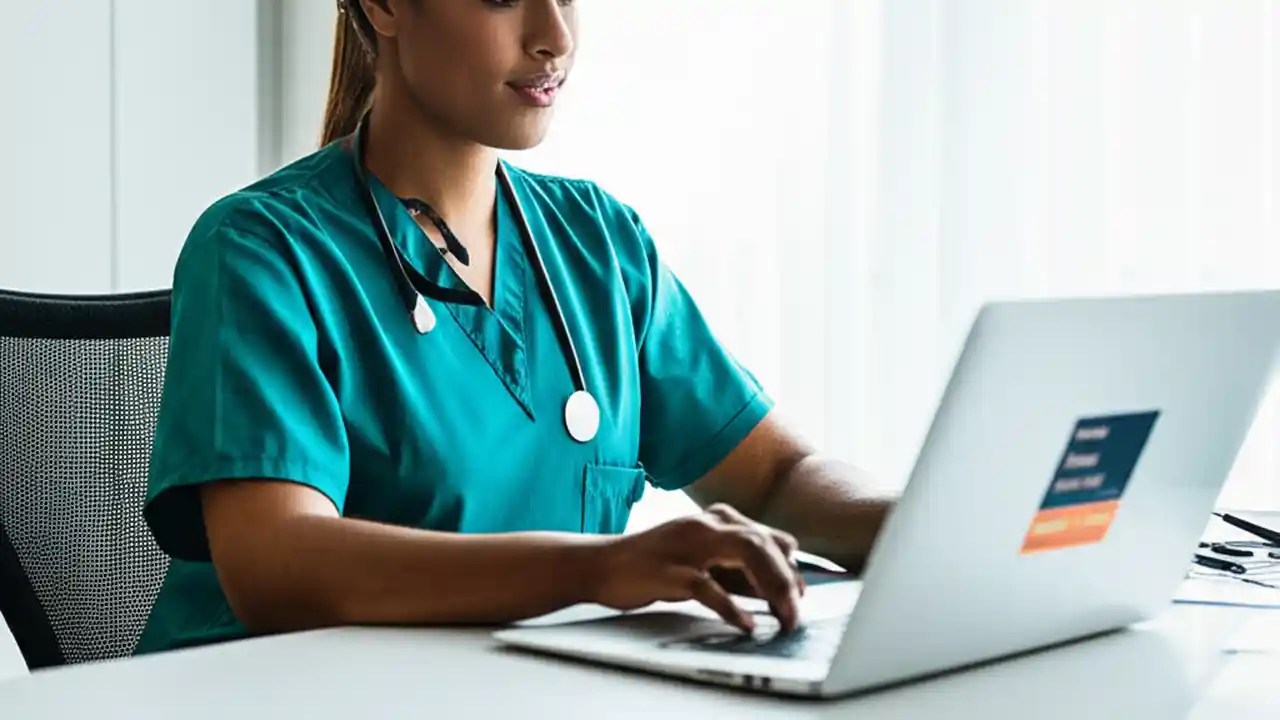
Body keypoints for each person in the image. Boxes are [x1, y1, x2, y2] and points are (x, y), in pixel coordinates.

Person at [135, 0, 893, 655]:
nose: (555, 35)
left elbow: (773, 477)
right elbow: (278, 565)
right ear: (385, 7)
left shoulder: (598, 242)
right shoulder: (262, 248)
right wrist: (599, 569)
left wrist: (919, 526)